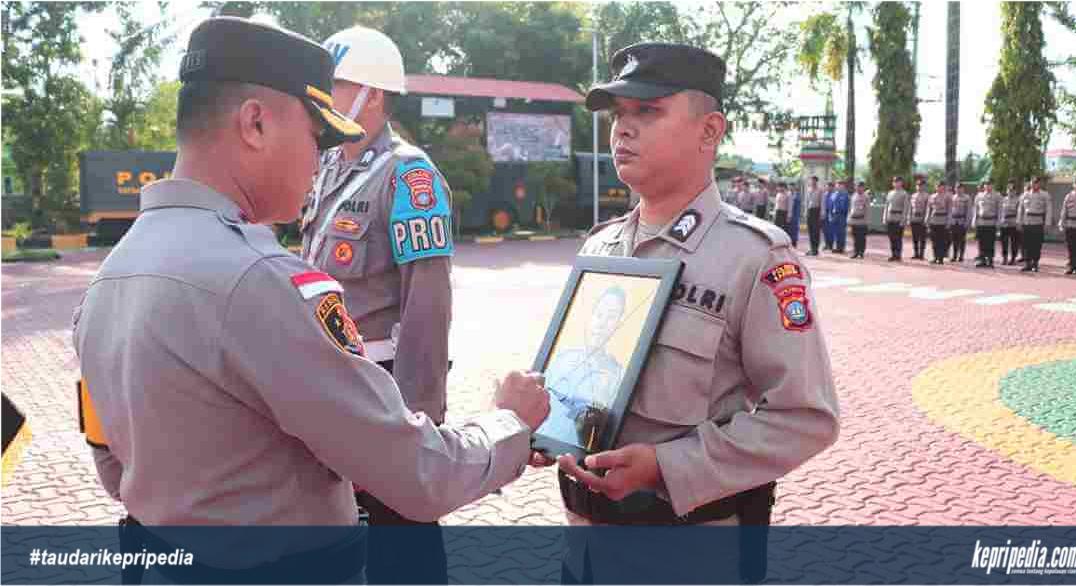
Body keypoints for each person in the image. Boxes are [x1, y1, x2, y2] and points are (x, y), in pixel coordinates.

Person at [71, 17, 549, 583]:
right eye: (315, 136)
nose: (320, 157)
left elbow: (113, 465)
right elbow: (421, 474)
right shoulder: (258, 282)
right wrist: (510, 422)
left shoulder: (108, 281)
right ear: (255, 124)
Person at [542, 42, 839, 584]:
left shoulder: (754, 256)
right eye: (619, 114)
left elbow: (805, 417)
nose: (623, 129)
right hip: (583, 547)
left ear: (709, 130)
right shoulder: (602, 247)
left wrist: (667, 467)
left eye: (648, 111)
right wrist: (542, 422)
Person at [299, 26, 457, 584]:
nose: (323, 96)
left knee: (401, 539)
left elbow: (428, 307)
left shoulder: (409, 176)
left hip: (383, 388)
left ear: (373, 94)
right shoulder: (328, 165)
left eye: (336, 85)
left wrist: (417, 421)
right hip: (329, 384)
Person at [536, 286, 627, 452]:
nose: (602, 324)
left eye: (611, 317)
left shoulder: (617, 375)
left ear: (618, 324)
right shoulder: (562, 357)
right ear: (590, 317)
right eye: (599, 315)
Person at [1017, 176, 1053, 273]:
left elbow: (1049, 210)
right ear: (1030, 183)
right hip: (1026, 222)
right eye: (1033, 182)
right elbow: (1020, 209)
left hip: (1038, 222)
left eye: (1036, 183)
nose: (1034, 184)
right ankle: (1027, 263)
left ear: (1039, 184)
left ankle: (1035, 263)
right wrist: (1019, 221)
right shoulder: (1024, 195)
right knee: (1026, 244)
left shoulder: (1045, 195)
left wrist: (1047, 223)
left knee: (1036, 244)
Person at [972, 181, 1001, 268]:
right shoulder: (979, 196)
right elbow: (976, 209)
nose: (988, 186)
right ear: (984, 186)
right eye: (986, 185)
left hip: (991, 222)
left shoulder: (997, 196)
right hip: (981, 222)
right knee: (981, 241)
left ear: (992, 186)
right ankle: (982, 259)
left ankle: (990, 260)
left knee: (990, 242)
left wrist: (999, 222)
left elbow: (1000, 210)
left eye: (990, 185)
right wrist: (974, 220)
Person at [883, 176, 910, 262]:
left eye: (898, 182)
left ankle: (898, 255)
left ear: (901, 183)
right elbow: (886, 206)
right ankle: (893, 254)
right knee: (891, 237)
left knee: (898, 238)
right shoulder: (890, 193)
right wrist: (884, 217)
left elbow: (906, 208)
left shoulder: (904, 194)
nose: (896, 183)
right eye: (895, 182)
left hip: (898, 217)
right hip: (890, 217)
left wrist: (903, 220)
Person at [925, 181, 951, 265]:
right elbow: (929, 209)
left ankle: (940, 258)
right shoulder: (932, 196)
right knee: (934, 240)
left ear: (944, 187)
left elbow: (949, 210)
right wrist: (927, 220)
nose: (940, 188)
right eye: (938, 186)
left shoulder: (947, 197)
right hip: (934, 220)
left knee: (942, 240)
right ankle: (935, 256)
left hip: (943, 220)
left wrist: (948, 222)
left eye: (941, 186)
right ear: (936, 187)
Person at [999, 180, 1022, 265]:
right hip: (1004, 222)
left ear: (1015, 191)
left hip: (1014, 222)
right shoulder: (1003, 199)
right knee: (1004, 241)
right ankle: (1004, 257)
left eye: (1012, 190)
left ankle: (1013, 258)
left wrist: (1018, 223)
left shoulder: (1018, 200)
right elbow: (1000, 211)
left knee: (1014, 242)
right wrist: (1000, 221)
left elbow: (1020, 212)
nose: (1010, 191)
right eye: (1008, 189)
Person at [948, 182, 971, 262]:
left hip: (962, 221)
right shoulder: (953, 197)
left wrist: (967, 222)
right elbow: (950, 210)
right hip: (954, 221)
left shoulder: (967, 198)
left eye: (960, 188)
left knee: (962, 240)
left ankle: (961, 256)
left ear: (963, 189)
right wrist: (949, 221)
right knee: (954, 239)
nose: (959, 190)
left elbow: (968, 211)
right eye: (957, 188)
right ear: (955, 189)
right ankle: (954, 255)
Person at [846, 181, 869, 259]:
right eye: (857, 186)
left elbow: (867, 209)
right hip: (854, 220)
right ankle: (855, 252)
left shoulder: (866, 197)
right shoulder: (853, 196)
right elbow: (850, 208)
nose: (858, 188)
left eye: (860, 187)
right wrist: (849, 219)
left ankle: (861, 252)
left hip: (862, 220)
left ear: (863, 188)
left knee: (861, 237)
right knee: (855, 237)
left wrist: (866, 220)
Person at [908, 176, 929, 260]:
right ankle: (916, 253)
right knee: (915, 238)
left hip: (922, 218)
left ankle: (921, 254)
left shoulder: (927, 196)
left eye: (921, 185)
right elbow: (910, 208)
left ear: (924, 186)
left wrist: (926, 219)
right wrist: (909, 218)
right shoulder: (913, 196)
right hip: (914, 218)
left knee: (922, 238)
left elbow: (928, 209)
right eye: (918, 185)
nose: (919, 187)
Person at [828, 181, 850, 254]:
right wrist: (830, 214)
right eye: (838, 185)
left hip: (841, 215)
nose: (839, 187)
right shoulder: (834, 194)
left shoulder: (845, 194)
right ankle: (837, 247)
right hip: (834, 215)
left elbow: (846, 206)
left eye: (841, 185)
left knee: (841, 232)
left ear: (843, 186)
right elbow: (830, 204)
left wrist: (845, 215)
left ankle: (841, 248)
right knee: (835, 232)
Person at [804, 176, 824, 256]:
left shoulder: (820, 190)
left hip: (816, 211)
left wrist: (822, 213)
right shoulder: (808, 190)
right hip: (810, 211)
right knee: (810, 230)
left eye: (814, 181)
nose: (812, 182)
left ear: (816, 181)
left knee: (816, 231)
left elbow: (822, 202)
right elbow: (806, 201)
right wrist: (806, 211)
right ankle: (812, 248)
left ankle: (815, 249)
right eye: (811, 180)